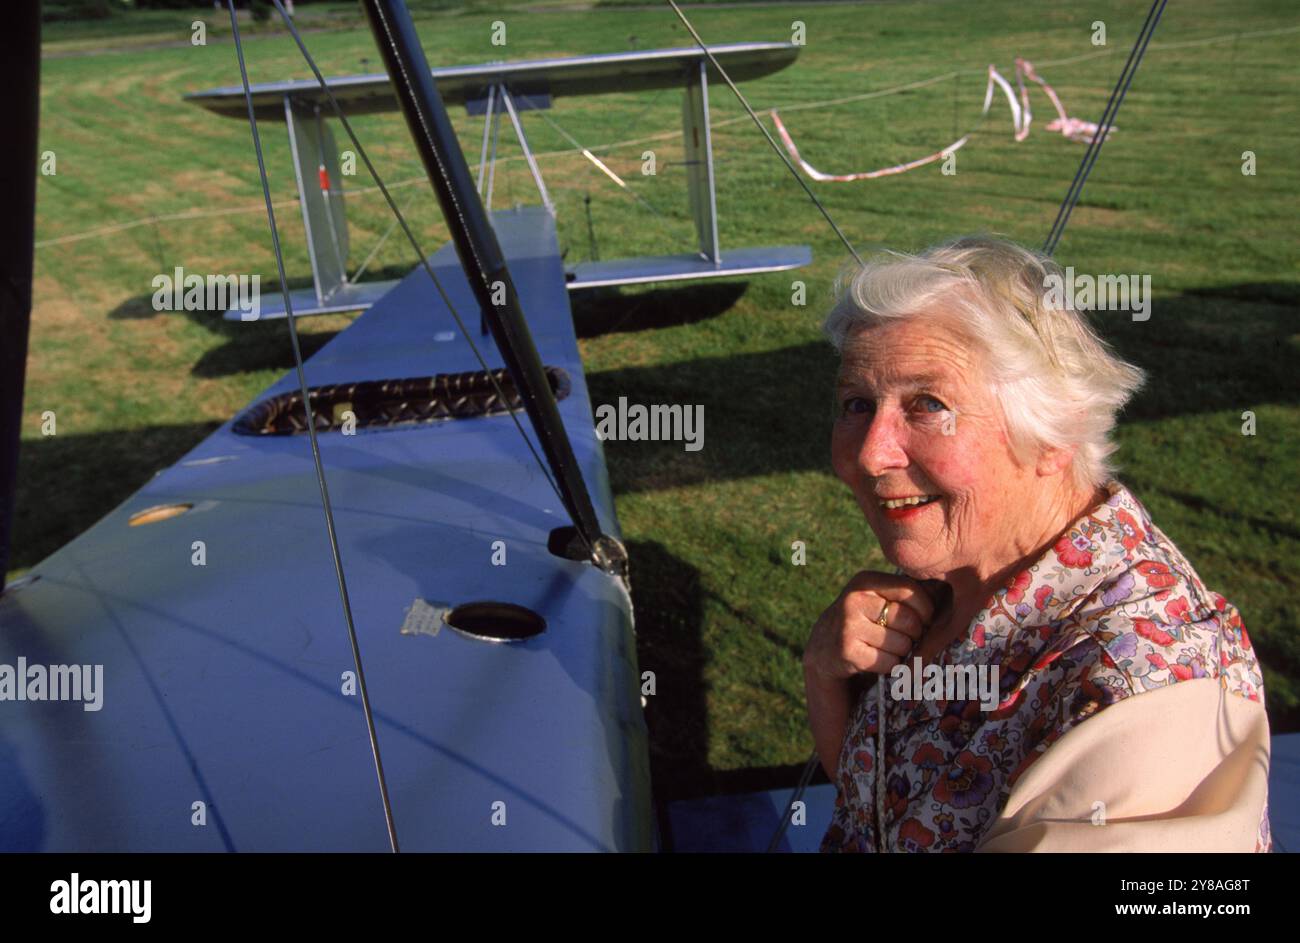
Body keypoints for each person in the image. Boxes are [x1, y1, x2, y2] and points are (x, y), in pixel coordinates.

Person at [803, 235, 1270, 852]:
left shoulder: (1141, 691)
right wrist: (825, 674)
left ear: (1055, 433)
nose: (869, 453)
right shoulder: (959, 573)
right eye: (857, 403)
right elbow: (883, 809)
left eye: (929, 404)